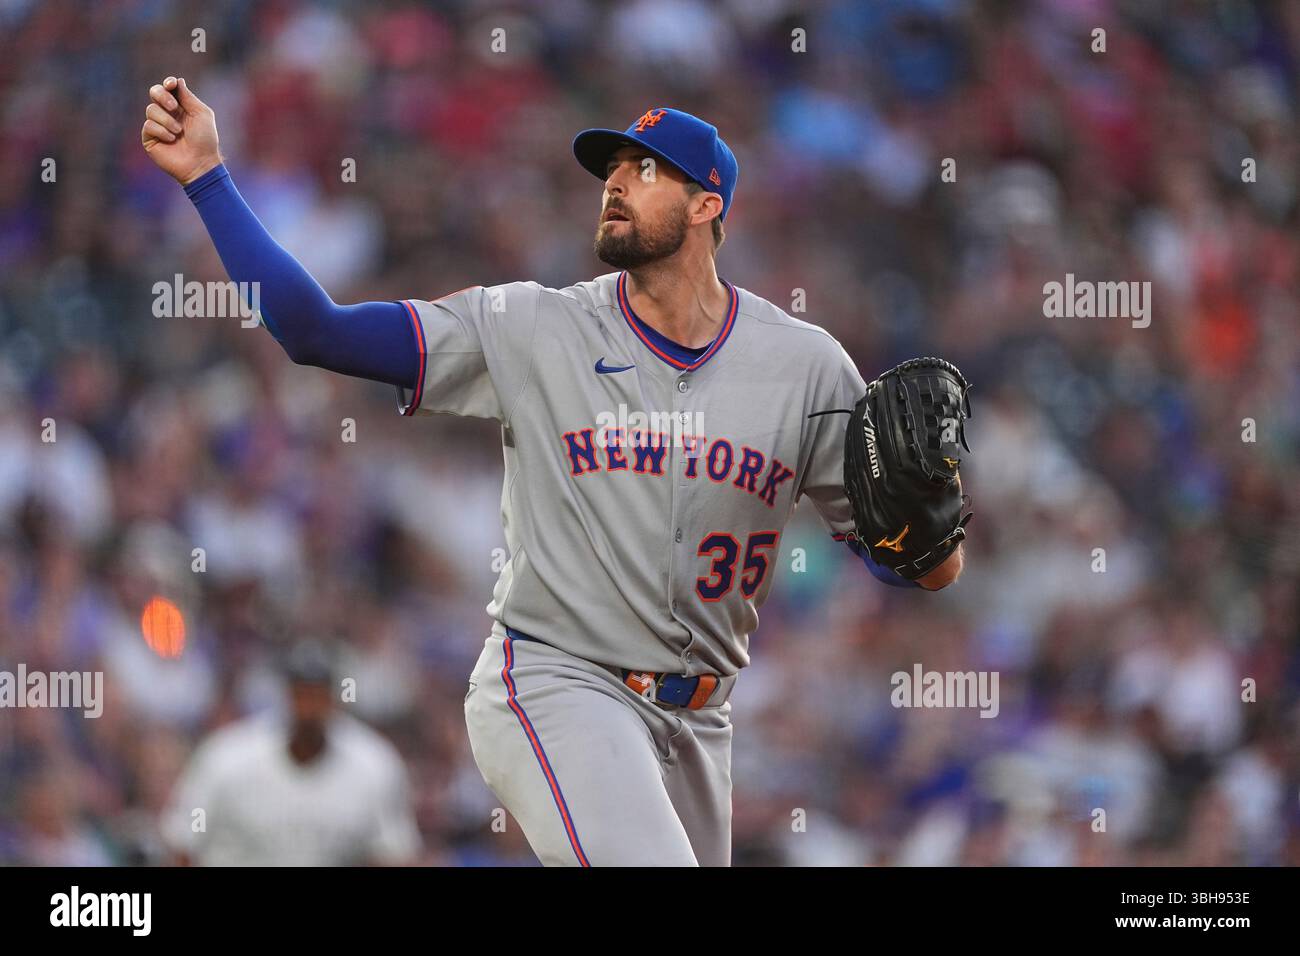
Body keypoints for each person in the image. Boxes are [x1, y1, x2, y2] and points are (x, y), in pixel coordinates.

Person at [141, 78, 964, 866]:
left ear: (707, 205)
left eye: (645, 171)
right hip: (556, 678)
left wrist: (929, 511)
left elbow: (919, 567)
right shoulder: (535, 327)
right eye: (609, 171)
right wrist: (209, 179)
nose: (615, 185)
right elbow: (315, 331)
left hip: (700, 723)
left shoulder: (807, 367)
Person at [160, 640, 421, 866]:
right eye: (302, 693)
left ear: (335, 697)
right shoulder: (226, 758)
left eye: (319, 694)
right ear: (286, 694)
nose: (309, 706)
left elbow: (395, 854)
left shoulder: (374, 765)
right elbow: (183, 845)